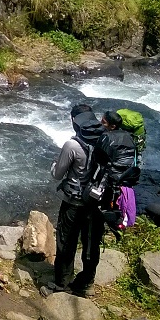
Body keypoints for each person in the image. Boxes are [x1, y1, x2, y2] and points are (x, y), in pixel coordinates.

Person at [42, 104, 105, 298]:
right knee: (90, 243)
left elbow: (57, 174)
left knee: (66, 241)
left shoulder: (72, 145)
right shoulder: (105, 139)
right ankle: (86, 283)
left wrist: (54, 165)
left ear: (74, 122)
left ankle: (61, 283)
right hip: (97, 202)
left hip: (74, 202)